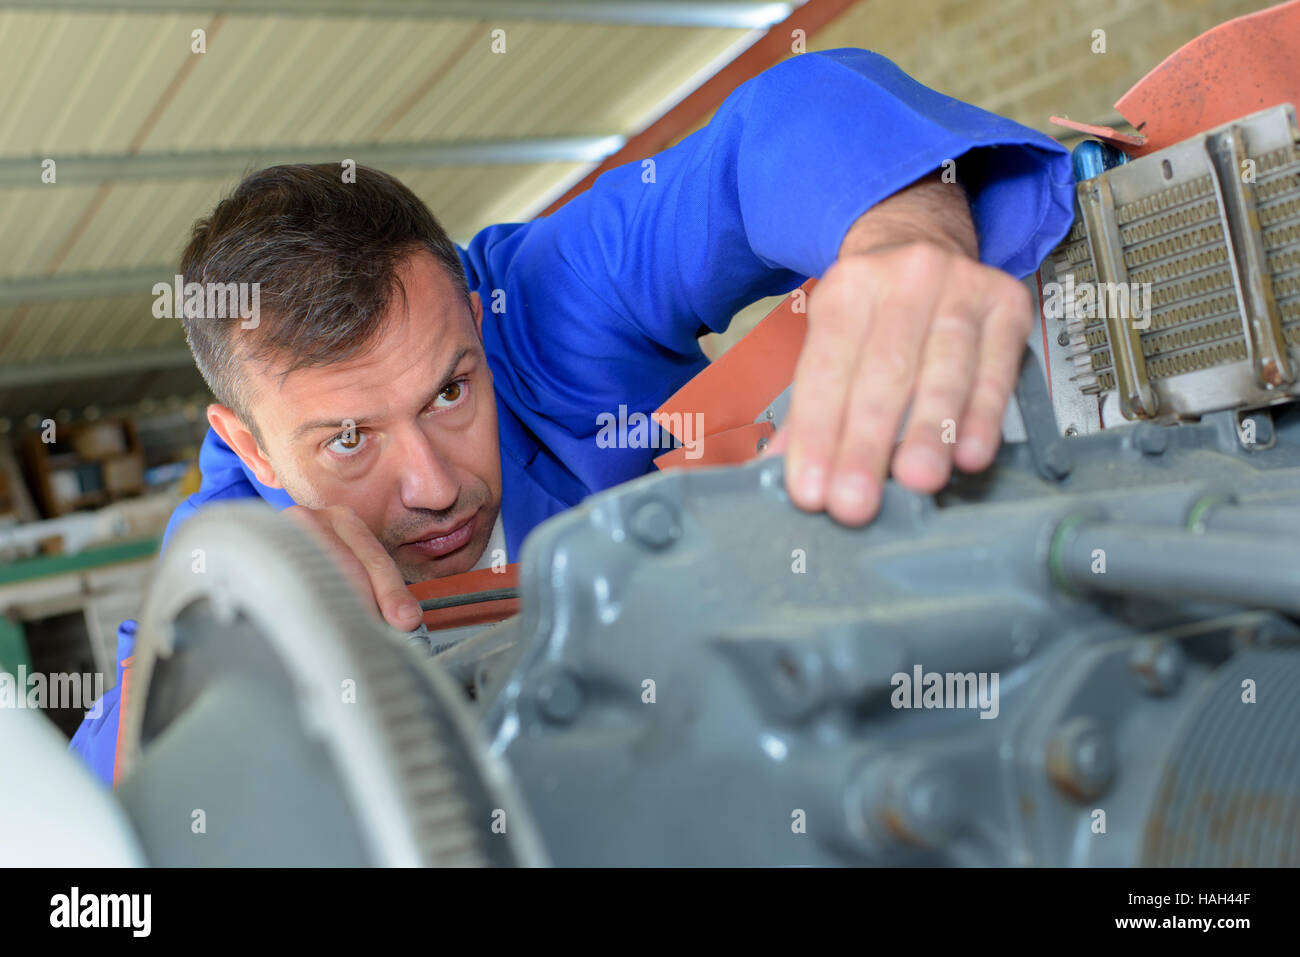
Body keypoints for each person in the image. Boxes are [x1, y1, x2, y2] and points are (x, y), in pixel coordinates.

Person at [70, 47, 1074, 784]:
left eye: (450, 389)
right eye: (347, 440)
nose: (431, 486)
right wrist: (235, 656)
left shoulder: (546, 300)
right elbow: (88, 826)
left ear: (472, 310)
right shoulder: (226, 569)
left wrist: (903, 235)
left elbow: (780, 121)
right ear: (247, 446)